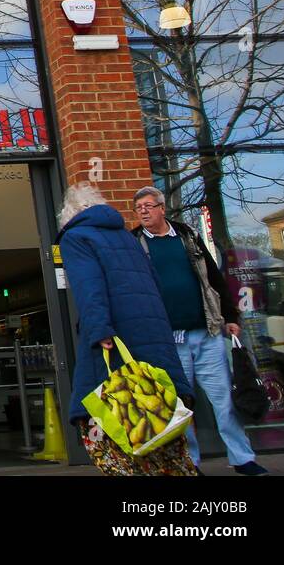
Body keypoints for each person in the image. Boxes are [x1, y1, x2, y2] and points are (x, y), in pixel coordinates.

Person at [57, 183, 196, 475]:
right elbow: (155, 285)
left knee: (109, 426)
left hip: (117, 339)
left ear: (70, 215)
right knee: (160, 423)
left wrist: (99, 330)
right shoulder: (127, 237)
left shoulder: (75, 237)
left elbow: (89, 287)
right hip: (154, 338)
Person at [131, 186, 268, 475]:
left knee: (224, 400)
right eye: (138, 207)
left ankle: (243, 458)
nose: (143, 211)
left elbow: (213, 278)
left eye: (148, 205)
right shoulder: (134, 244)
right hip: (169, 341)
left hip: (206, 334)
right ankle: (189, 463)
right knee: (181, 406)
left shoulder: (187, 237)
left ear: (161, 208)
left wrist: (230, 316)